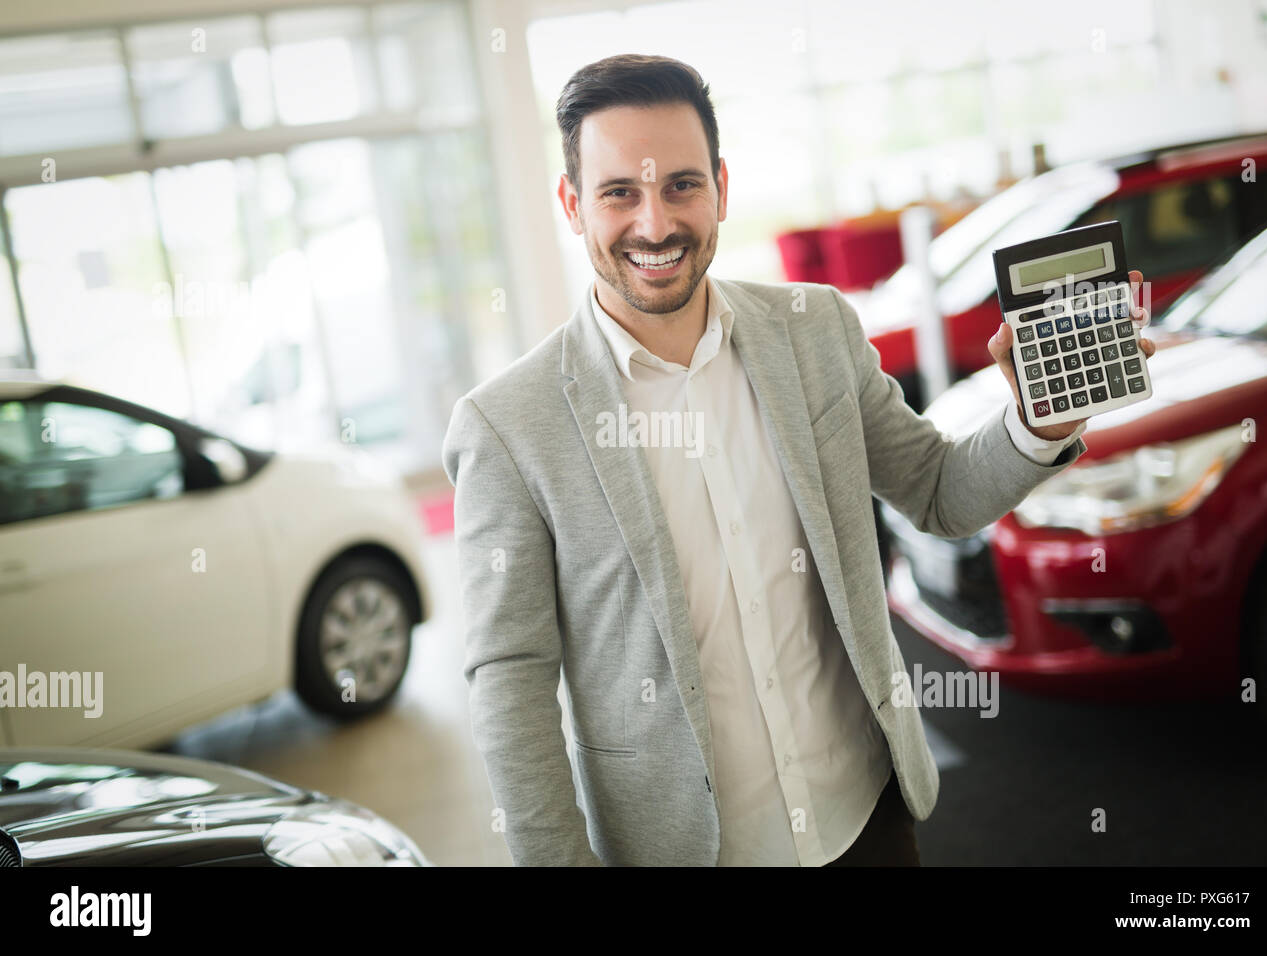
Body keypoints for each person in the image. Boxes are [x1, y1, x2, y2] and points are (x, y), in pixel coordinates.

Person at [441, 53, 1155, 866]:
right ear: (573, 204)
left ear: (720, 187)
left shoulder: (815, 330)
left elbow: (937, 491)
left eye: (680, 184)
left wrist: (1037, 417)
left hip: (867, 821)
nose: (654, 223)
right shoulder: (508, 427)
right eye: (618, 193)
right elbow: (511, 683)